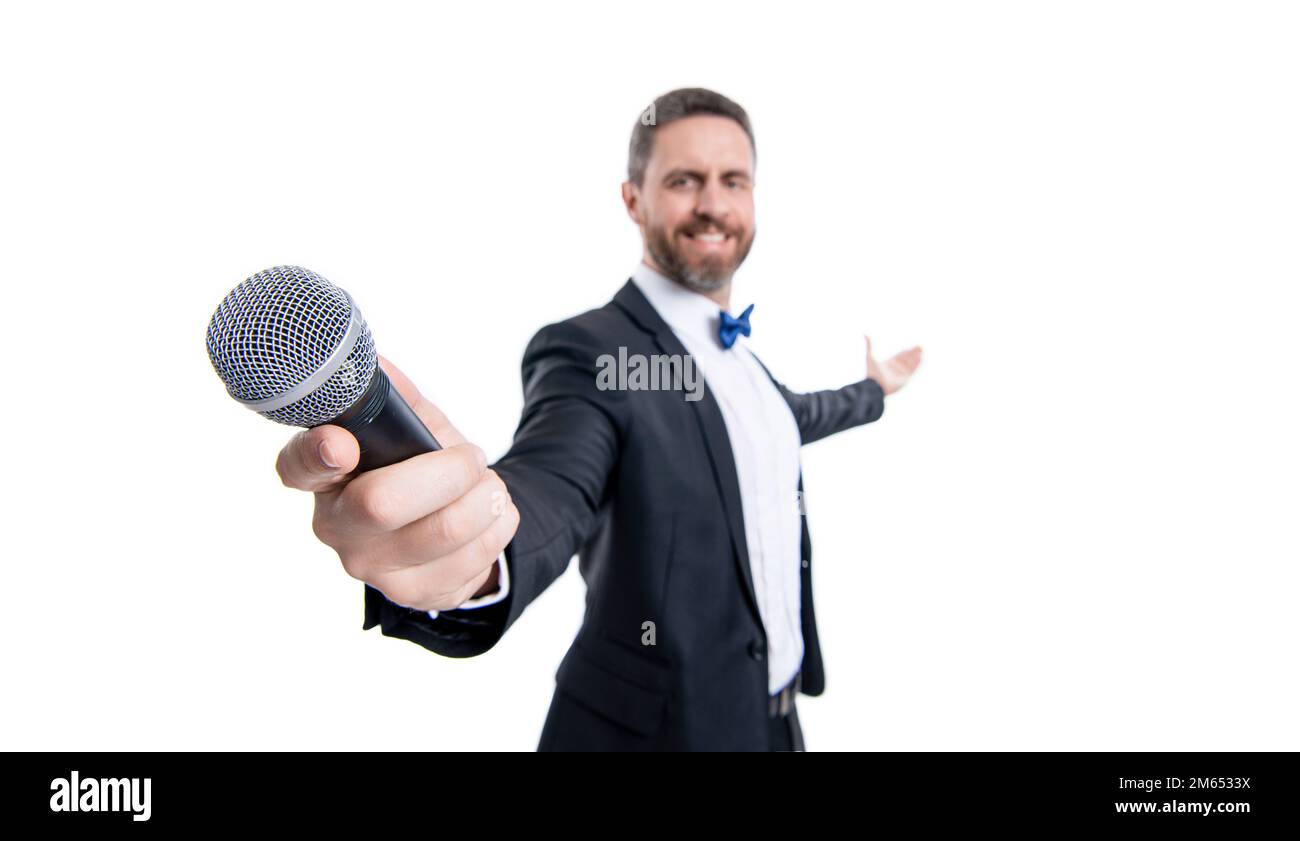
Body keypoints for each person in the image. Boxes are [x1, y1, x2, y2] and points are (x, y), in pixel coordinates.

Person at [275, 88, 922, 751]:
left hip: (780, 725)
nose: (714, 203)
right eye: (683, 180)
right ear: (634, 199)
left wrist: (876, 389)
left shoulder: (752, 371)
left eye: (734, 180)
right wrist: (477, 550)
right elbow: (553, 482)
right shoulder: (592, 353)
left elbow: (800, 415)